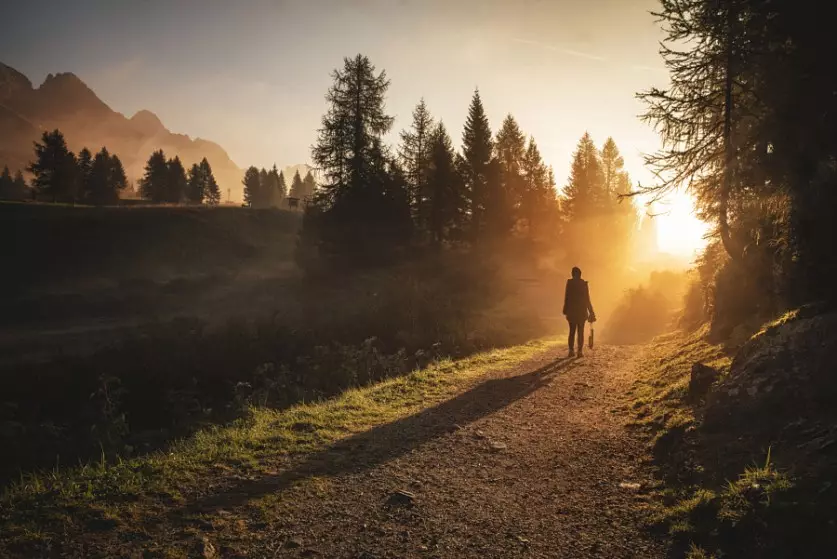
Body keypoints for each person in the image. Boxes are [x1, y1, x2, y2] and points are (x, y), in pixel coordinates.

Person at [563, 266, 595, 357]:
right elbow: (587, 299)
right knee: (580, 331)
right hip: (581, 311)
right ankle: (580, 351)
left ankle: (571, 350)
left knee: (572, 331)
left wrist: (565, 309)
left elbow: (567, 297)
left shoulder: (570, 283)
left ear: (572, 274)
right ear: (580, 274)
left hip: (572, 311)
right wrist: (591, 312)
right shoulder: (584, 284)